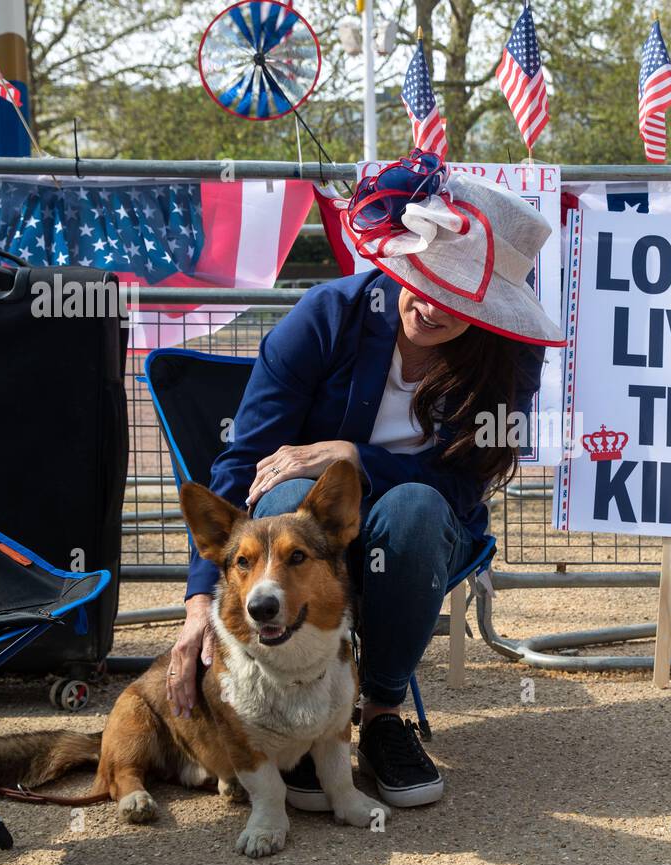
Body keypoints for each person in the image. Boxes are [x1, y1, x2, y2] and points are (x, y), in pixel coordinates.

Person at [165, 153, 563, 810]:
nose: (432, 304)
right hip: (308, 533)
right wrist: (198, 604)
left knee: (414, 509)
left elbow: (462, 487)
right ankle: (285, 717)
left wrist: (350, 455)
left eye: (459, 296)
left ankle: (380, 713)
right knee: (289, 499)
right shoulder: (326, 314)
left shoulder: (509, 362)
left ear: (491, 313)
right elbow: (243, 466)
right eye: (428, 278)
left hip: (422, 530)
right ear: (408, 260)